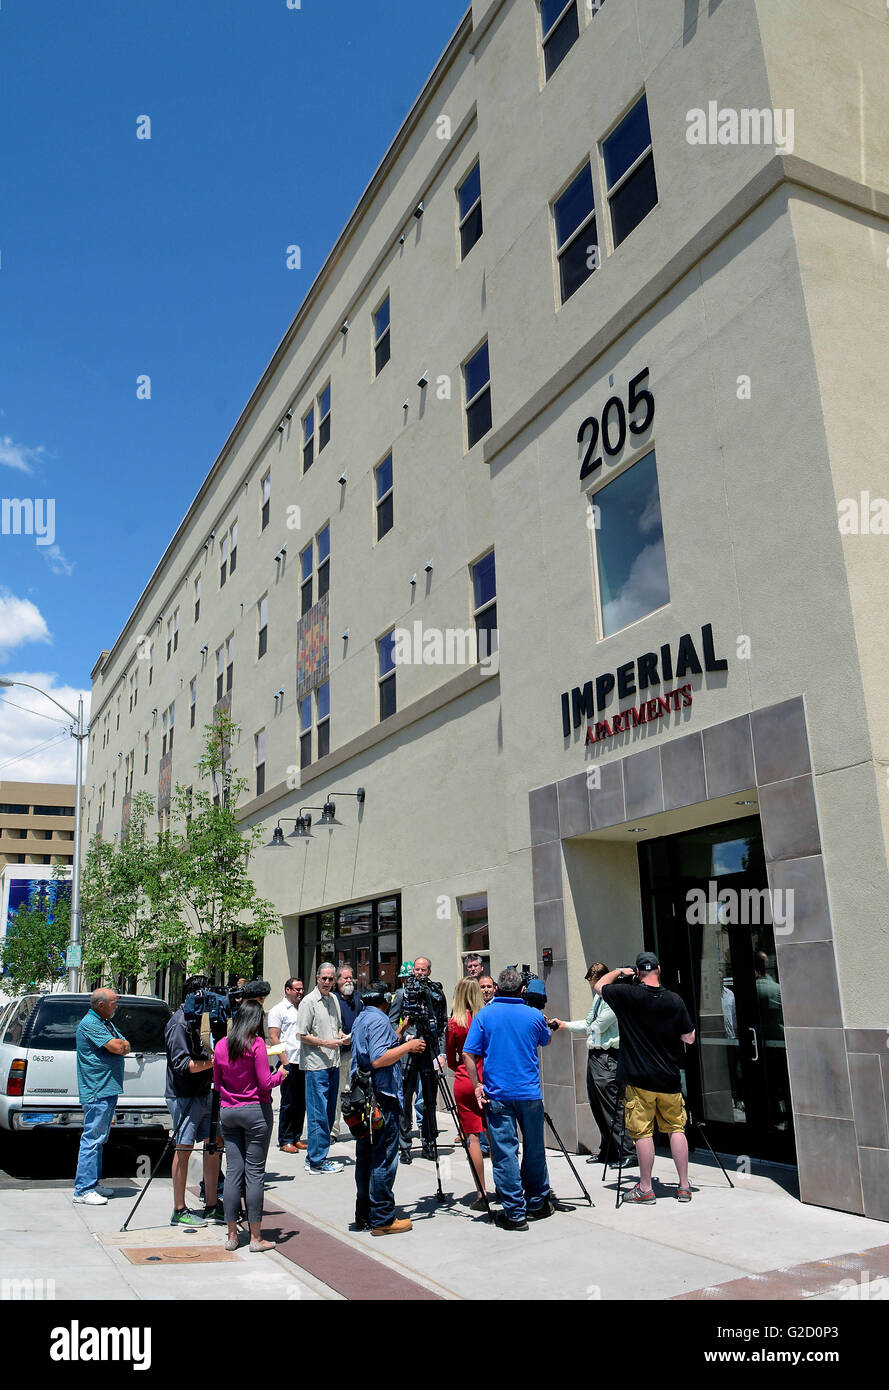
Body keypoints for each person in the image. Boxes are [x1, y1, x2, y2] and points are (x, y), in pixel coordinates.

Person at [596, 952, 696, 1204]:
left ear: (638, 972)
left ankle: (645, 1187)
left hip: (639, 1078)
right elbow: (690, 1037)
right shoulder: (674, 1000)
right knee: (676, 1128)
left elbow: (599, 985)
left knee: (642, 1133)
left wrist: (620, 971)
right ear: (659, 970)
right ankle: (684, 1186)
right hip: (669, 1077)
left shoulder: (628, 995)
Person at [462, 966, 554, 1231]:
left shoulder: (485, 1015)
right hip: (529, 1093)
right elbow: (545, 1040)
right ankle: (536, 1201)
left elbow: (469, 1054)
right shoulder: (533, 1015)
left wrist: (477, 1084)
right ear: (523, 991)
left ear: (498, 989)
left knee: (505, 1153)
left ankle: (515, 1212)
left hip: (499, 1094)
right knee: (534, 1149)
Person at [350, 980, 426, 1236]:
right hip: (381, 1098)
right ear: (385, 1000)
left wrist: (399, 1034)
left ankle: (364, 1213)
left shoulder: (362, 1018)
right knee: (383, 1157)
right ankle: (383, 1217)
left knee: (366, 1156)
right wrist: (408, 1046)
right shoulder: (380, 1020)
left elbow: (373, 1048)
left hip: (365, 1098)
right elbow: (378, 1058)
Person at [213, 1000, 287, 1251]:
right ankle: (256, 1237)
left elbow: (217, 1081)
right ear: (257, 1021)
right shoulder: (255, 1045)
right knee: (254, 1173)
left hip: (229, 1111)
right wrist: (282, 1074)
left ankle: (232, 1235)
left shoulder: (222, 1045)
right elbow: (265, 1082)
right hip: (255, 1110)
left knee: (234, 1172)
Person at [551, 962, 636, 1169]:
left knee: (611, 1104)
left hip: (608, 1056)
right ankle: (609, 1150)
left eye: (594, 983)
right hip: (595, 1055)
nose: (593, 988)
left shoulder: (614, 999)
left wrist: (572, 1026)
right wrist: (564, 1025)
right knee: (596, 1103)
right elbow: (590, 1021)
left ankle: (628, 1152)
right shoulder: (600, 998)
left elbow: (596, 1026)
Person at [164, 975, 223, 1226]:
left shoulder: (204, 1020)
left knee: (214, 1143)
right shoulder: (179, 1023)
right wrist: (215, 1062)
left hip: (205, 1092)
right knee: (184, 1147)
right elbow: (182, 1064)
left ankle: (211, 1204)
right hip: (184, 1094)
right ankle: (179, 1209)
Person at [73, 988, 130, 1205]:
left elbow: (125, 1044)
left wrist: (120, 1045)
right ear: (101, 1005)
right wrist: (119, 1045)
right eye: (114, 1002)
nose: (116, 1005)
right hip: (97, 1090)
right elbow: (117, 1046)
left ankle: (92, 1183)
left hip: (107, 1089)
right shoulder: (91, 1024)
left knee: (99, 1140)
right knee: (92, 1139)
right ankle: (83, 1189)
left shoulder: (106, 1023)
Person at [390, 956, 447, 1164]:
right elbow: (391, 1022)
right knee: (404, 1100)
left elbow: (441, 1025)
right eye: (417, 969)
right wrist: (405, 1036)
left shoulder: (436, 992)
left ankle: (429, 1142)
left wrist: (442, 1053)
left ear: (429, 972)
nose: (420, 973)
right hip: (407, 1052)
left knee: (429, 1100)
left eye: (423, 970)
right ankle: (404, 1145)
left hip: (429, 1051)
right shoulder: (402, 994)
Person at [297, 963, 347, 1173]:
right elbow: (302, 1035)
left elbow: (336, 1027)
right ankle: (316, 1160)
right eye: (323, 978)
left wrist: (341, 1036)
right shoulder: (308, 1002)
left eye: (330, 978)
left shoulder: (334, 999)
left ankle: (320, 1155)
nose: (327, 982)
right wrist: (326, 1043)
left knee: (327, 1112)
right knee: (318, 1113)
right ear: (317, 978)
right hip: (316, 1065)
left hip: (333, 1062)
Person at [446, 977, 488, 1209]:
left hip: (464, 1080)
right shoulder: (485, 1019)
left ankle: (481, 1192)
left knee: (473, 1137)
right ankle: (506, 1187)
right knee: (496, 1134)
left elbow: (451, 1057)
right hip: (488, 1079)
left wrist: (463, 1071)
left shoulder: (454, 1023)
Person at [268, 977, 307, 1153]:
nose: (300, 992)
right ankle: (285, 1139)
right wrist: (284, 1062)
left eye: (301, 989)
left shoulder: (303, 1009)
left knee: (301, 1102)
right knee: (288, 1102)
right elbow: (274, 1037)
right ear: (287, 990)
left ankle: (296, 1137)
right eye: (296, 989)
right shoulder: (278, 1010)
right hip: (288, 1061)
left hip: (304, 1061)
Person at [331, 964, 364, 1139]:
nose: (349, 980)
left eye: (351, 977)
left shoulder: (359, 998)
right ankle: (333, 1131)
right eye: (345, 978)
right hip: (340, 1053)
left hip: (357, 1054)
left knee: (359, 1092)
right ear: (338, 981)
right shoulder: (333, 998)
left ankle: (360, 1127)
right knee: (337, 1094)